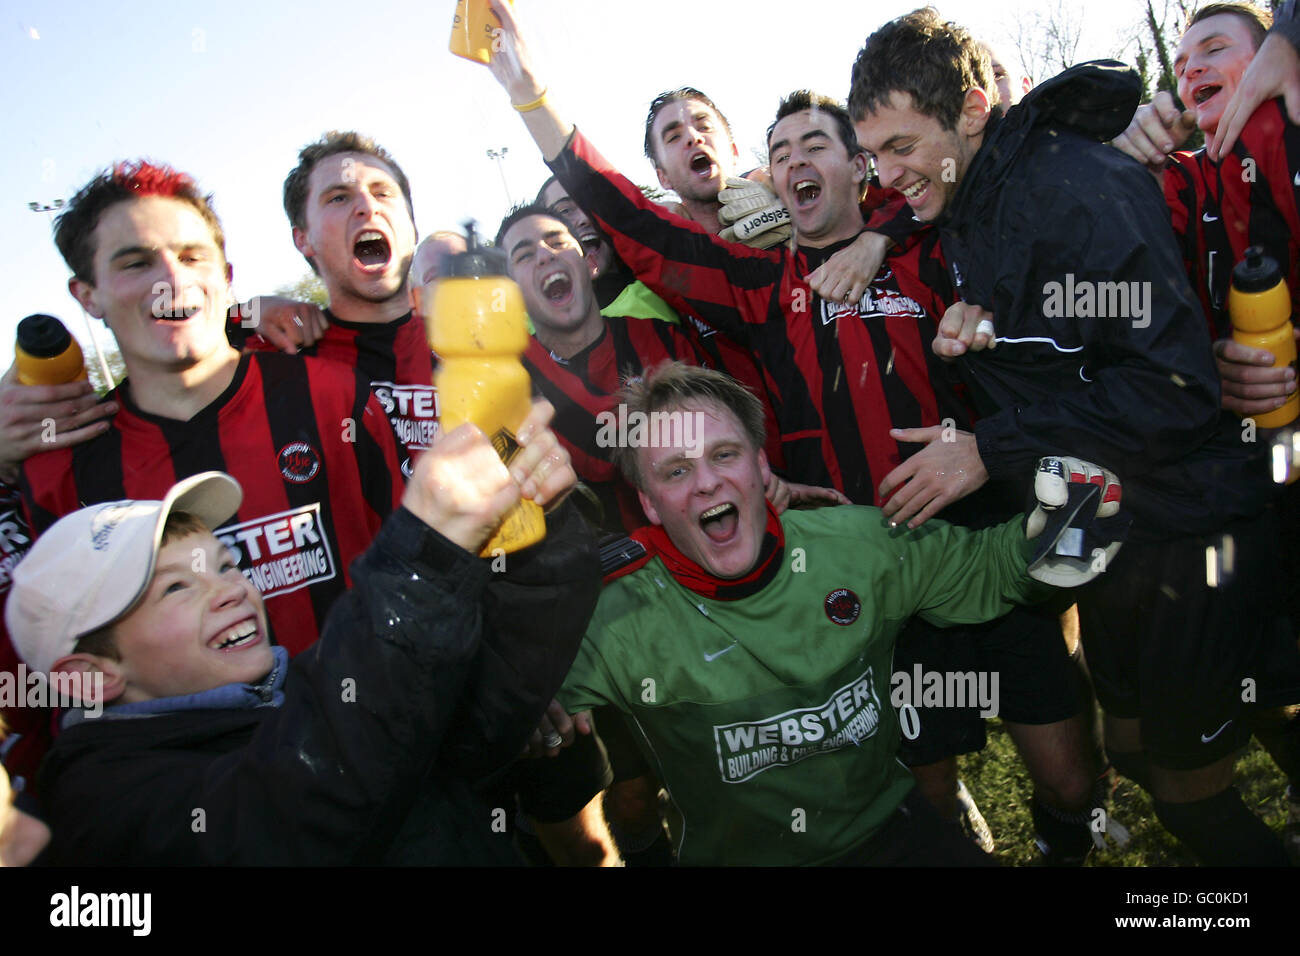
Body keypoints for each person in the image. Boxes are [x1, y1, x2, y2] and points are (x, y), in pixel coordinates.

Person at [484, 0, 1105, 861]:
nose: (794, 161)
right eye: (779, 155)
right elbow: (631, 216)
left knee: (1072, 775)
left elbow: (994, 182)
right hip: (873, 569)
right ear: (770, 184)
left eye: (815, 144)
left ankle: (1067, 844)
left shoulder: (937, 247)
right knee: (922, 788)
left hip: (981, 535)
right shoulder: (763, 286)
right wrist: (529, 92)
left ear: (861, 165)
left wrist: (948, 293)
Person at [849, 6, 1300, 865]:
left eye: (901, 147)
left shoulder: (1071, 188)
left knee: (1191, 802)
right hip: (1105, 528)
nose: (887, 174)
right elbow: (1071, 352)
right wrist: (979, 344)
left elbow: (1172, 390)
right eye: (874, 155)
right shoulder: (970, 203)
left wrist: (987, 447)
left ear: (971, 110)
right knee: (1127, 749)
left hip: (1187, 529)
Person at [554, 361, 1121, 865]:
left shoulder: (858, 543)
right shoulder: (613, 612)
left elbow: (993, 568)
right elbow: (510, 715)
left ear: (759, 465)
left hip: (893, 832)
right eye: (676, 471)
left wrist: (1066, 516)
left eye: (723, 455)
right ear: (649, 503)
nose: (707, 482)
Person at [10, 402, 601, 864]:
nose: (230, 589)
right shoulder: (99, 805)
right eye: (174, 588)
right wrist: (419, 556)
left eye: (224, 564)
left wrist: (529, 534)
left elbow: (478, 714)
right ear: (91, 677)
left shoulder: (311, 689)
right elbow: (297, 813)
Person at [5, 160, 407, 813]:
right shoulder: (57, 470)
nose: (171, 280)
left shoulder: (330, 393)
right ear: (87, 296)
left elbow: (422, 563)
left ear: (225, 277)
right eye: (136, 263)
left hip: (392, 760)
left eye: (192, 255)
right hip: (207, 812)